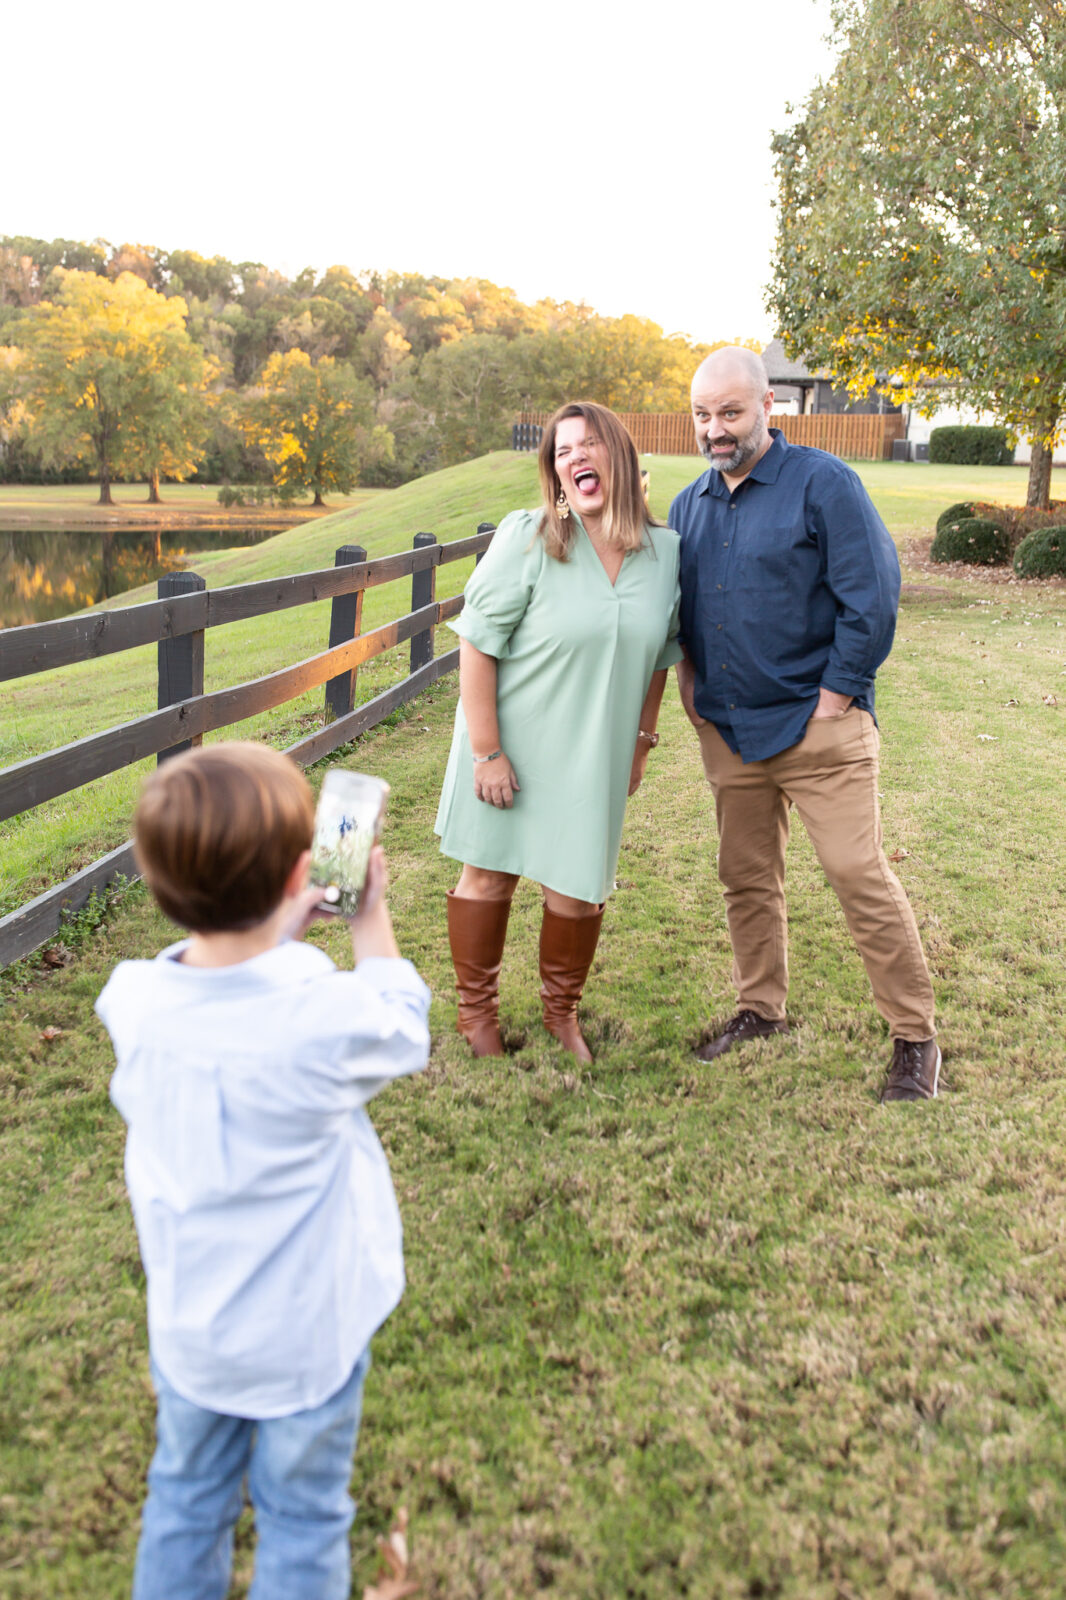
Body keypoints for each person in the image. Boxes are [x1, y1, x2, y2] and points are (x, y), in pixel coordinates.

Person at [94, 742, 431, 1600]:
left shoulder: (133, 1000)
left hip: (194, 1335)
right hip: (305, 1340)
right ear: (298, 871)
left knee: (183, 1500)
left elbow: (224, 991)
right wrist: (365, 915)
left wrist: (277, 929)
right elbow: (399, 1019)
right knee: (303, 1517)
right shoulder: (319, 1016)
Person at [670, 347, 940, 1103]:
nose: (715, 429)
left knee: (859, 875)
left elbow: (873, 598)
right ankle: (760, 1010)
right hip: (730, 732)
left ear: (767, 407)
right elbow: (684, 614)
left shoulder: (826, 485)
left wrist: (837, 696)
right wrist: (691, 687)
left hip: (820, 730)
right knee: (746, 880)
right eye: (703, 415)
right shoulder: (689, 506)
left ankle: (915, 1038)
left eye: (730, 412)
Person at [434, 401, 682, 1063]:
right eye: (561, 450)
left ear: (620, 457)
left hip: (593, 751)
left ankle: (560, 1013)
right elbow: (476, 645)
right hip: (510, 743)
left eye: (588, 443)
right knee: (488, 878)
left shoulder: (666, 555)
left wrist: (641, 743)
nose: (574, 457)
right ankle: (475, 1013)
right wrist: (487, 753)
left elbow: (662, 657)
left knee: (577, 889)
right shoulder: (531, 537)